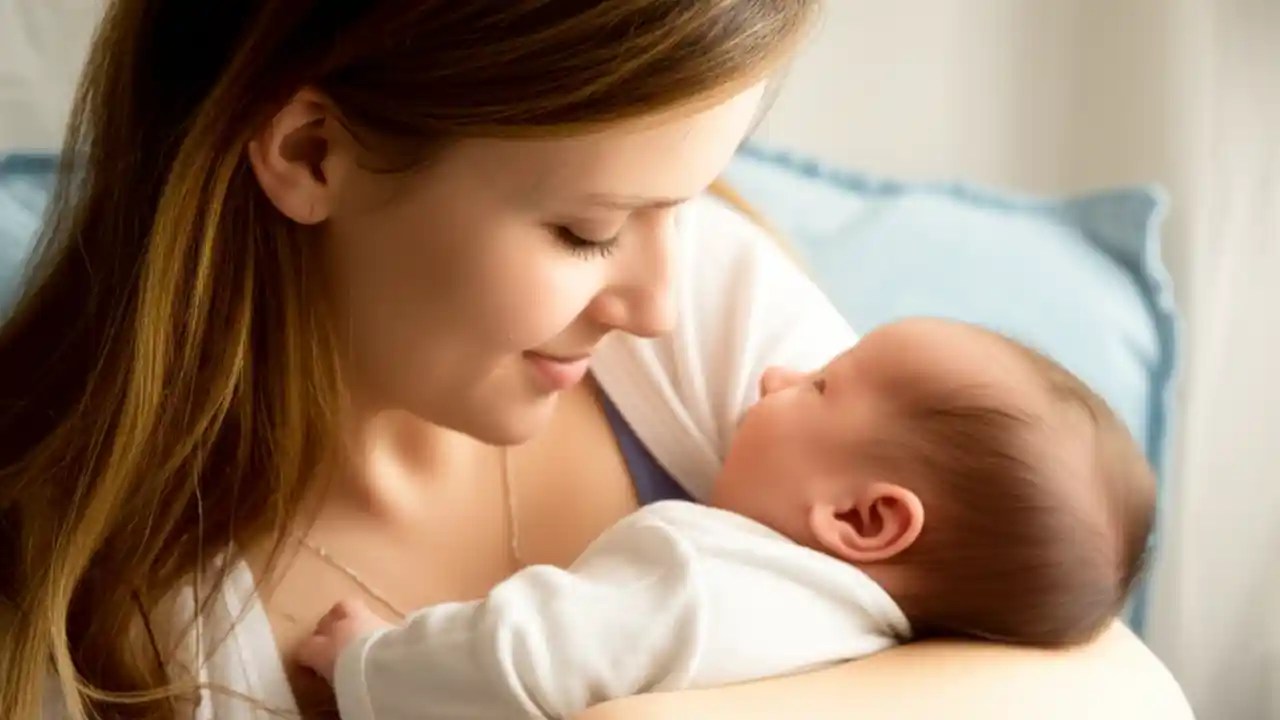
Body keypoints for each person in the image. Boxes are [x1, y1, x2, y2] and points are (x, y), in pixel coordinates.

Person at [0, 2, 1191, 719]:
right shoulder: (114, 632)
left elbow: (1125, 695)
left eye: (688, 199)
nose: (655, 304)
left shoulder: (708, 306)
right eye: (588, 230)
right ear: (314, 153)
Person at [292, 318, 1157, 720]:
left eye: (821, 385)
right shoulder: (870, 652)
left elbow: (523, 653)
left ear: (863, 518)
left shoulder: (701, 579)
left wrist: (367, 661)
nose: (775, 375)